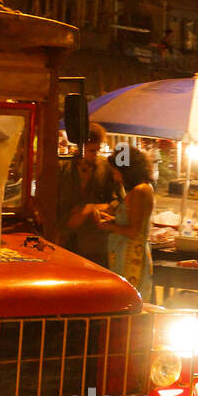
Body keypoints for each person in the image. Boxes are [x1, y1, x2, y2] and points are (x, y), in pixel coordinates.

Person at [56, 123, 124, 266]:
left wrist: (91, 208)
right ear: (79, 147)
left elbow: (120, 202)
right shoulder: (63, 168)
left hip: (96, 245)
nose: (96, 154)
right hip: (66, 242)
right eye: (92, 150)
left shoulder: (107, 169)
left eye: (98, 150)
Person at [100, 149, 155, 300]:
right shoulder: (141, 189)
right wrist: (112, 220)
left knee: (128, 300)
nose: (115, 177)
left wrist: (109, 226)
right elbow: (131, 221)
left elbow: (134, 231)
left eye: (116, 172)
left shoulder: (140, 191)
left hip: (131, 257)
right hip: (126, 254)